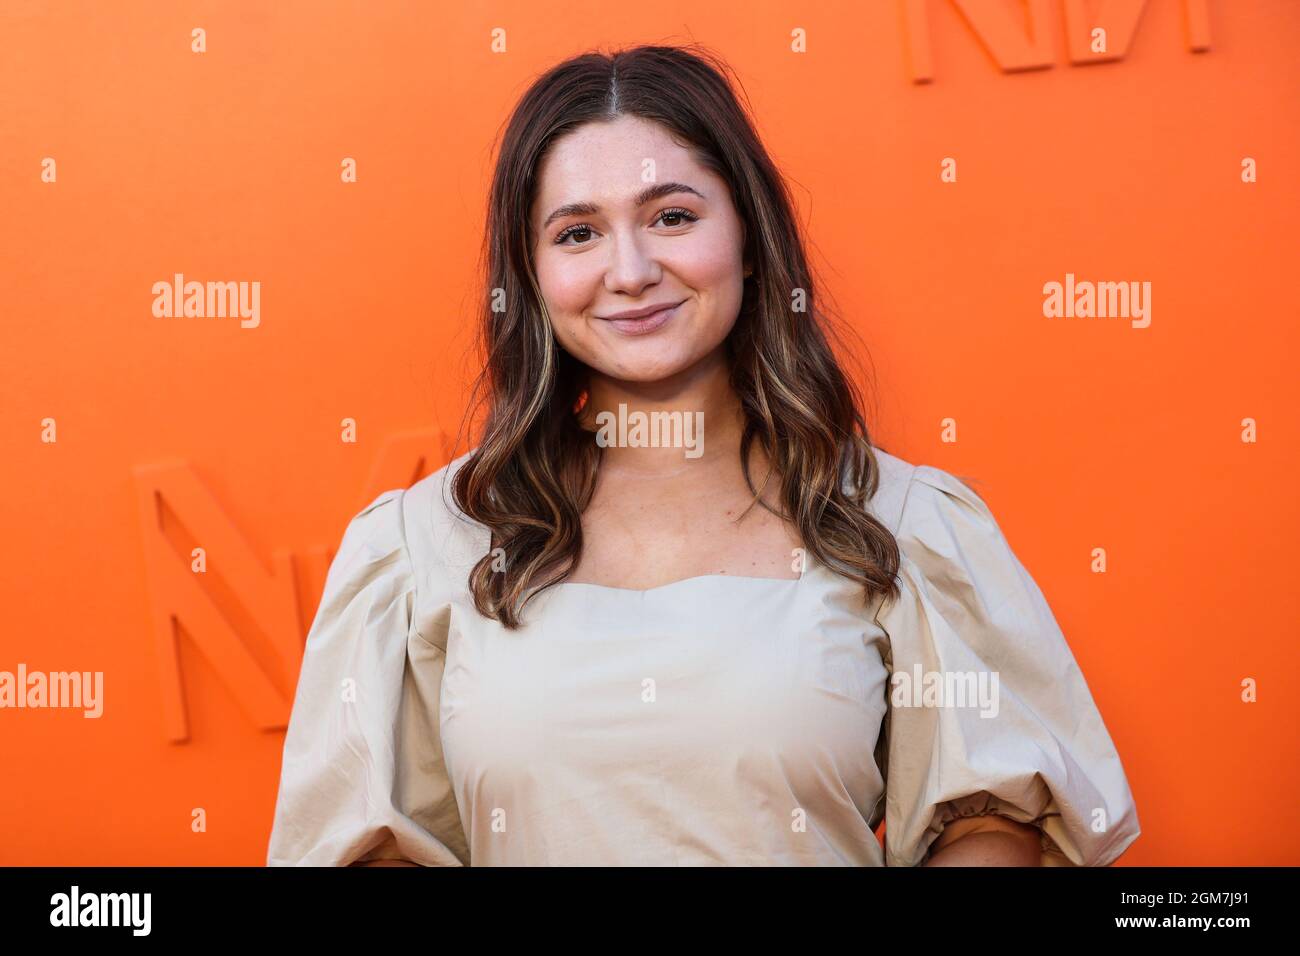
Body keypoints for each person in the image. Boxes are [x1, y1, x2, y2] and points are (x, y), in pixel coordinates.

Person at [266, 44, 1140, 867]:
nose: (633, 269)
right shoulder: (421, 546)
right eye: (578, 233)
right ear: (529, 275)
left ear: (751, 242)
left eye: (672, 217)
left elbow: (989, 819)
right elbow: (371, 847)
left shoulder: (897, 522)